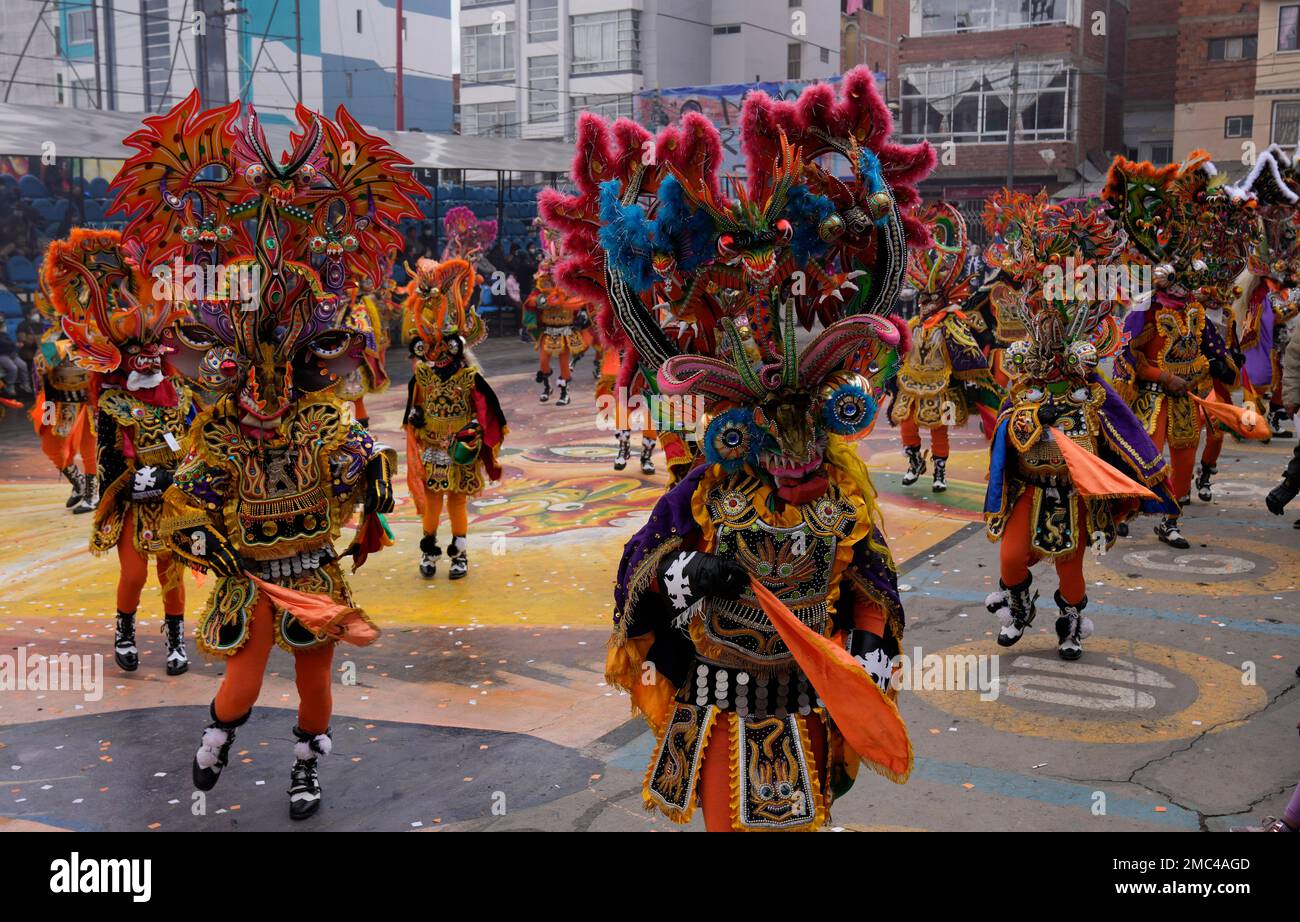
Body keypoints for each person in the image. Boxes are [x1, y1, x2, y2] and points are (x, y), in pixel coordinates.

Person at [542, 67, 930, 830]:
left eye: (809, 432)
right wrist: (693, 571)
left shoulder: (842, 492)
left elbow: (870, 579)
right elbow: (646, 573)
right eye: (770, 433)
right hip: (720, 702)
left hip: (805, 703)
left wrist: (865, 651)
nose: (793, 458)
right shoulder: (706, 495)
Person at [106, 91, 415, 820]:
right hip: (252, 573)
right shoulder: (216, 432)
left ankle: (306, 769)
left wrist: (370, 476)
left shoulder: (321, 420)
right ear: (233, 377)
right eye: (251, 380)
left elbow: (361, 465)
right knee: (241, 682)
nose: (267, 394)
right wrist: (201, 529)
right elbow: (189, 506)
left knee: (314, 685)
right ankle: (217, 738)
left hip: (310, 568)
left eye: (281, 378)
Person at [44, 229, 194, 675]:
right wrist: (132, 484)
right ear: (121, 358)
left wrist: (175, 479)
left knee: (173, 574)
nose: (147, 359)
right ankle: (124, 629)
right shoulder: (111, 403)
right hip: (133, 502)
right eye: (137, 352)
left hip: (173, 500)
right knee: (133, 574)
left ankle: (175, 638)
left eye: (153, 350)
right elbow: (110, 460)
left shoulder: (180, 395)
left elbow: (193, 448)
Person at [401, 257, 507, 580]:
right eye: (431, 349)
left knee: (458, 501)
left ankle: (459, 553)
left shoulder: (469, 377)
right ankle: (428, 550)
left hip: (461, 445)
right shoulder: (422, 376)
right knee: (433, 500)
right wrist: (416, 419)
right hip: (433, 446)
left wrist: (475, 430)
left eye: (444, 349)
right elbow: (413, 408)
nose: (438, 356)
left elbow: (485, 410)